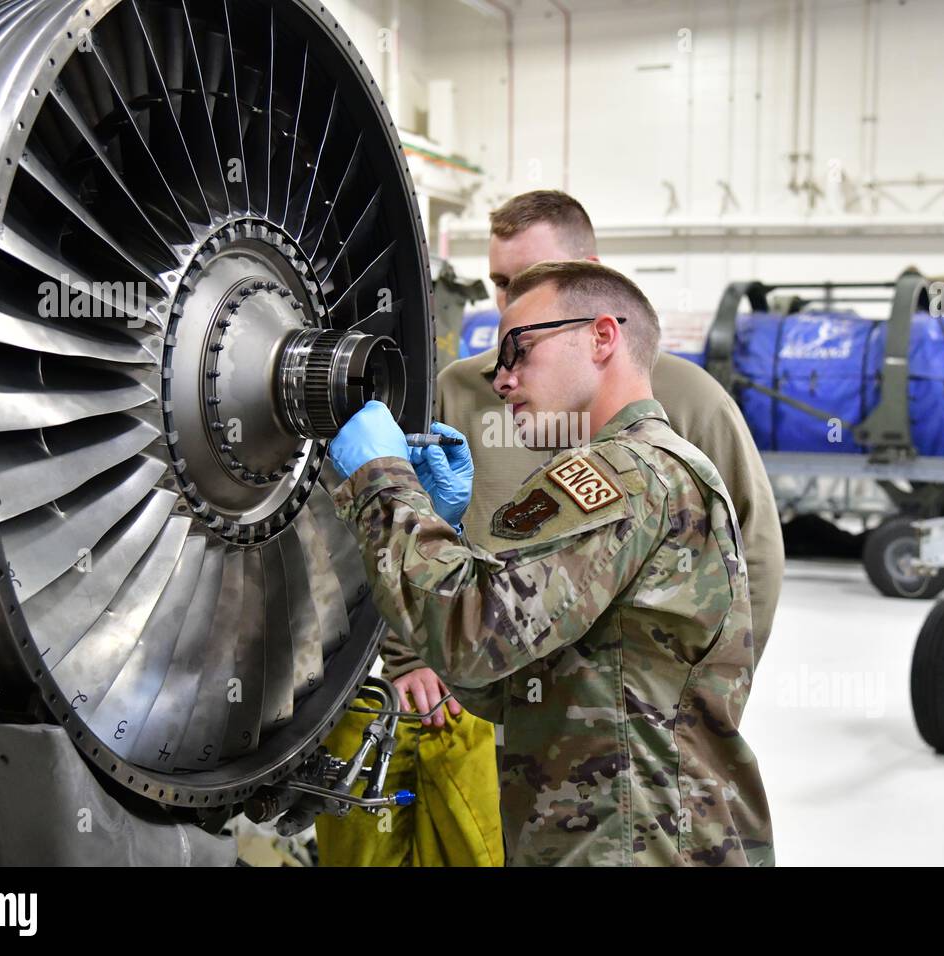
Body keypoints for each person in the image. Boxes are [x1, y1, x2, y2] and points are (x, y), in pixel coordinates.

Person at [323, 260, 774, 866]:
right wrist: (448, 530)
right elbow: (504, 678)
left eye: (520, 349)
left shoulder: (620, 478)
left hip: (627, 844)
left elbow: (473, 638)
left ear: (602, 337)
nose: (502, 379)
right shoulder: (644, 472)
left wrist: (382, 483)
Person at [383, 189, 783, 725]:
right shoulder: (459, 389)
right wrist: (416, 655)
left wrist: (706, 697)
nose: (509, 298)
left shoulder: (688, 402)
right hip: (491, 699)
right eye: (500, 282)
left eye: (530, 278)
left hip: (602, 731)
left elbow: (751, 548)